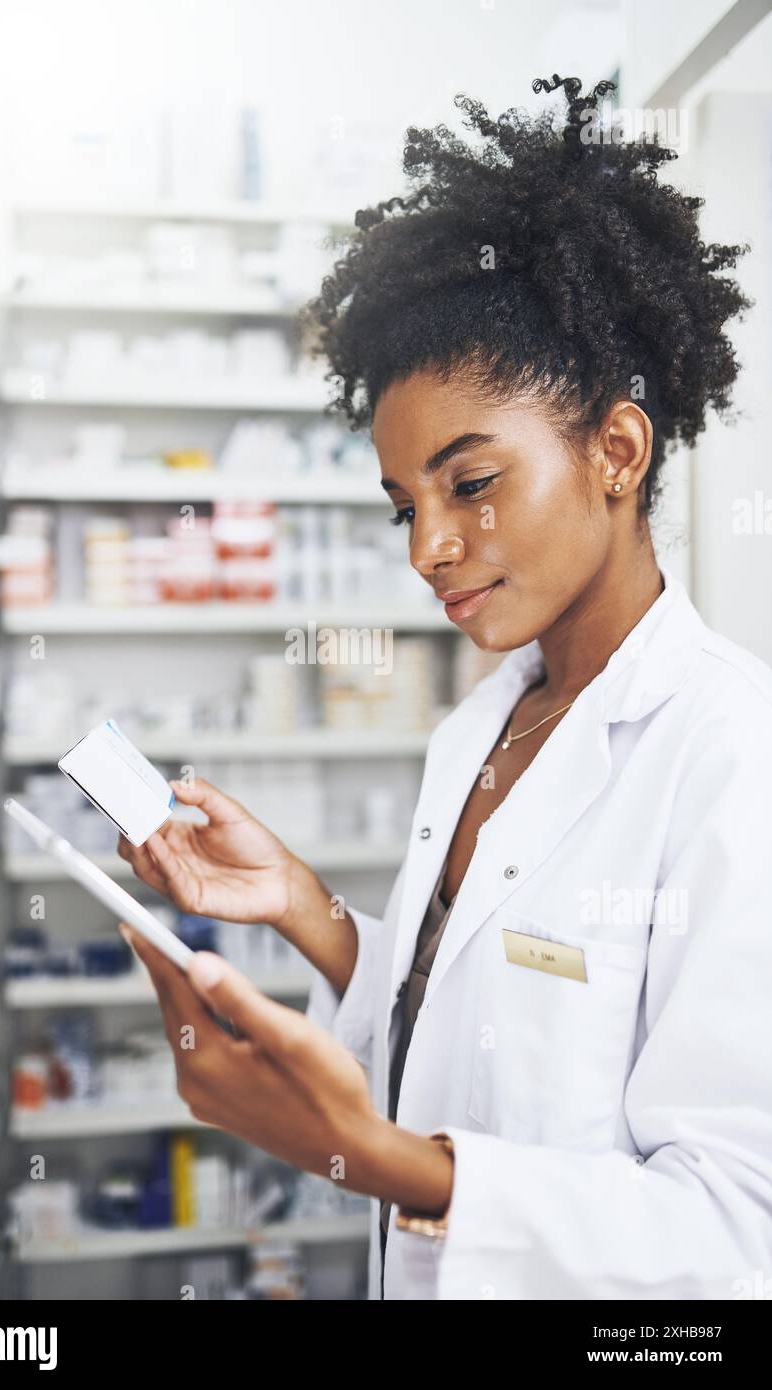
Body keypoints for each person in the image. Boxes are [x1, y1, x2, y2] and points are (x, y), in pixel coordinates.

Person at [117, 75, 772, 1300]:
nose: (426, 546)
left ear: (614, 452)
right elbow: (462, 1029)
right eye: (405, 504)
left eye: (470, 485)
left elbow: (736, 1236)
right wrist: (309, 912)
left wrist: (391, 1164)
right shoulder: (485, 723)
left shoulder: (732, 756)